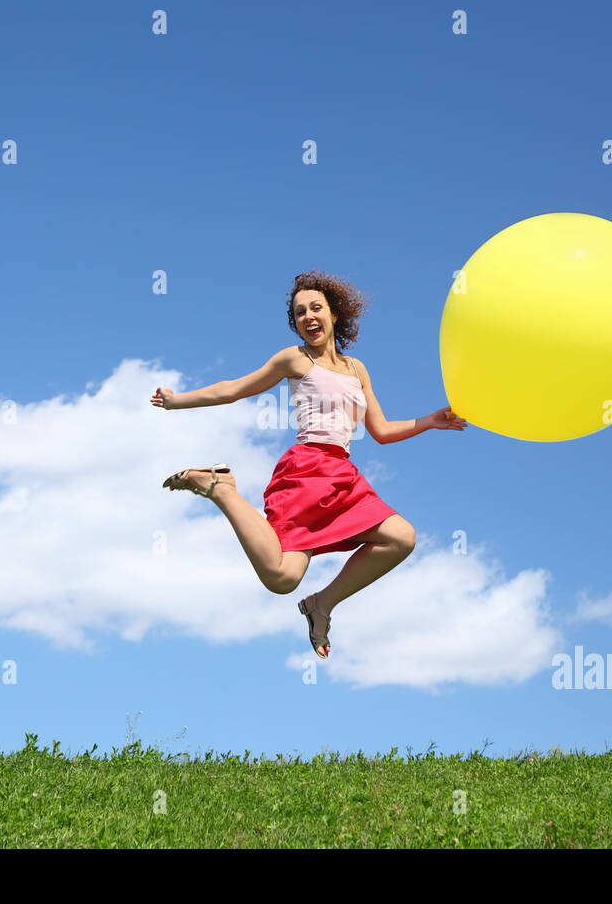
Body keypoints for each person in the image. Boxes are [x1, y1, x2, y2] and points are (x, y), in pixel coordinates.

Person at [150, 271, 466, 658]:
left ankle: (320, 605)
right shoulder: (295, 359)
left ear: (335, 315)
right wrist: (176, 399)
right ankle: (222, 489)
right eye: (299, 312)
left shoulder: (356, 369)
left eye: (316, 308)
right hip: (307, 471)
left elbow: (380, 430)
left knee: (400, 538)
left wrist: (429, 422)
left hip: (342, 475)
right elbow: (234, 389)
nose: (308, 317)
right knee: (282, 578)